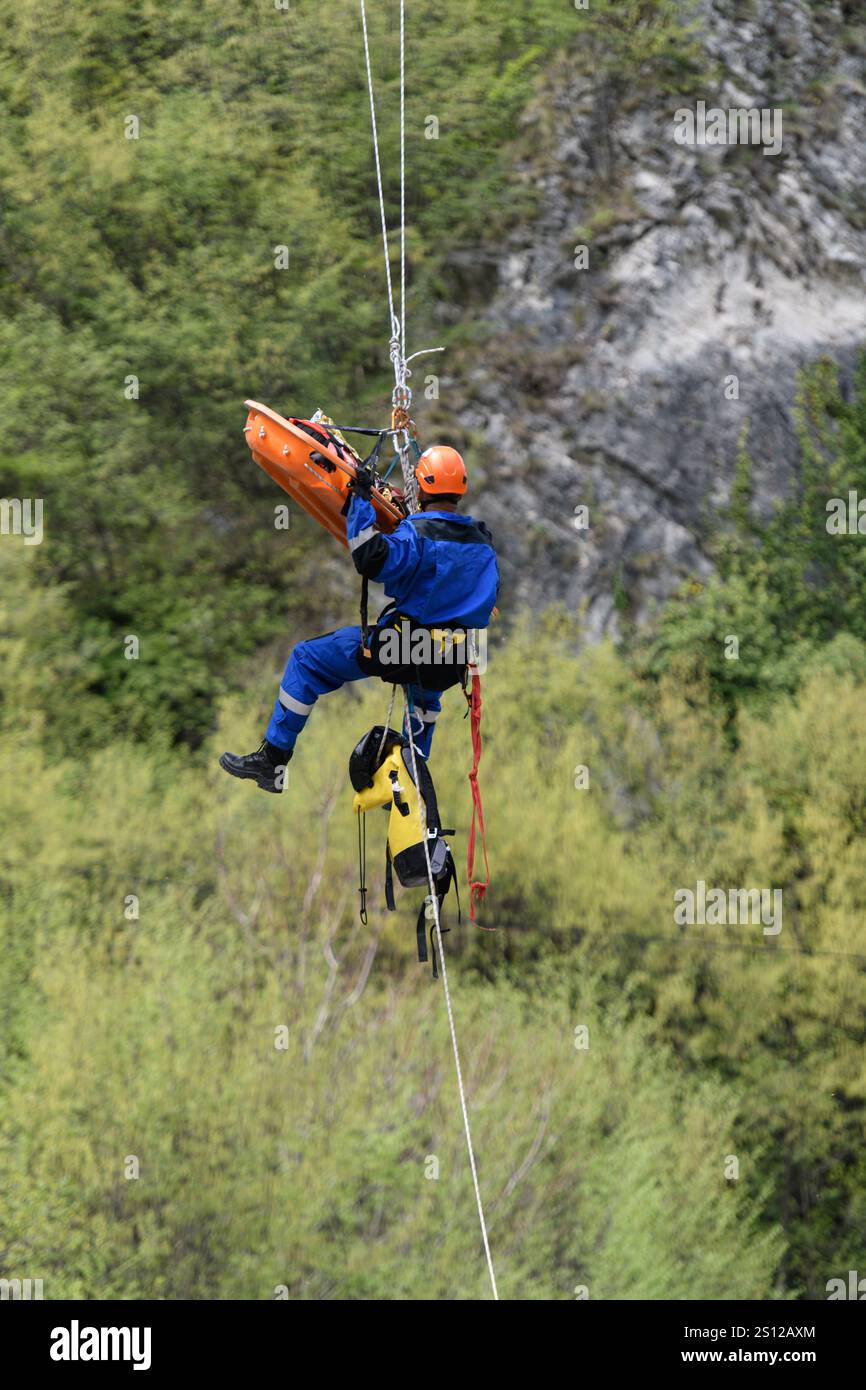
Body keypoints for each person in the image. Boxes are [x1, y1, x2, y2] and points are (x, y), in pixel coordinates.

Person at [219, 445, 499, 793]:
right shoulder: (484, 546)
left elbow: (370, 558)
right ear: (461, 489)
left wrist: (360, 502)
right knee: (427, 695)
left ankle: (272, 760)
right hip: (455, 658)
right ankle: (413, 775)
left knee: (306, 660)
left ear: (421, 487)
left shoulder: (416, 537)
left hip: (404, 649)